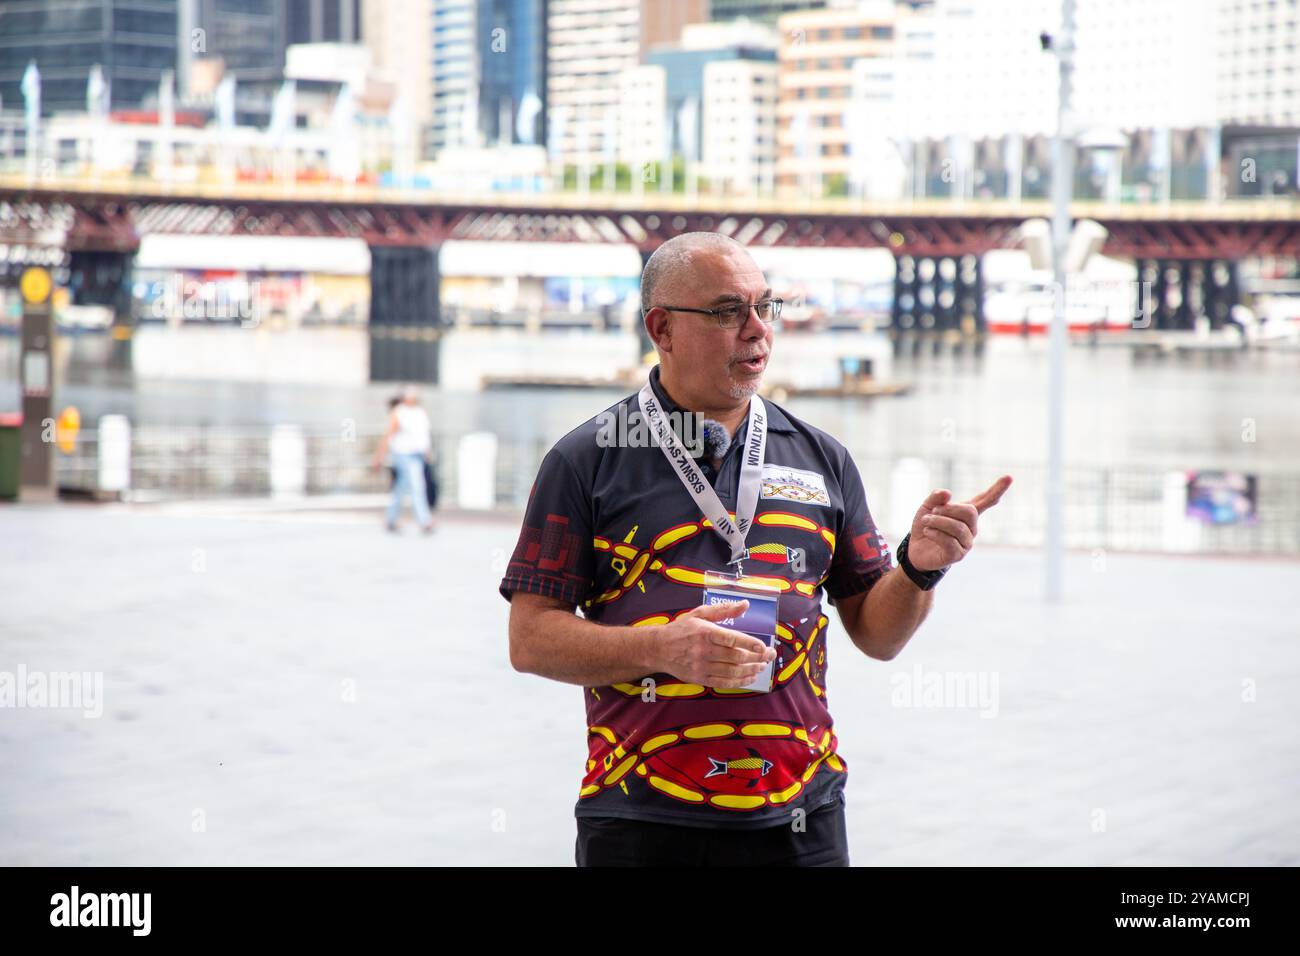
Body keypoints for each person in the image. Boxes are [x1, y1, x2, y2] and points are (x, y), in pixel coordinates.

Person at [498, 232, 1012, 867]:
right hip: (640, 816)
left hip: (803, 818)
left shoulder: (822, 457)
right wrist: (662, 648)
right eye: (726, 311)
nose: (756, 330)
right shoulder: (588, 459)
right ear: (661, 328)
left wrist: (917, 568)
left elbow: (878, 636)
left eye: (766, 307)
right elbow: (530, 639)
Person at [372, 385, 435, 534]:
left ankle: (391, 519)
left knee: (400, 488)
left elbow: (423, 435)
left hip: (418, 454)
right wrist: (379, 456)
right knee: (417, 485)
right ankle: (424, 520)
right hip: (403, 454)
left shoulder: (420, 412)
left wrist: (427, 451)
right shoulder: (399, 413)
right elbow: (388, 436)